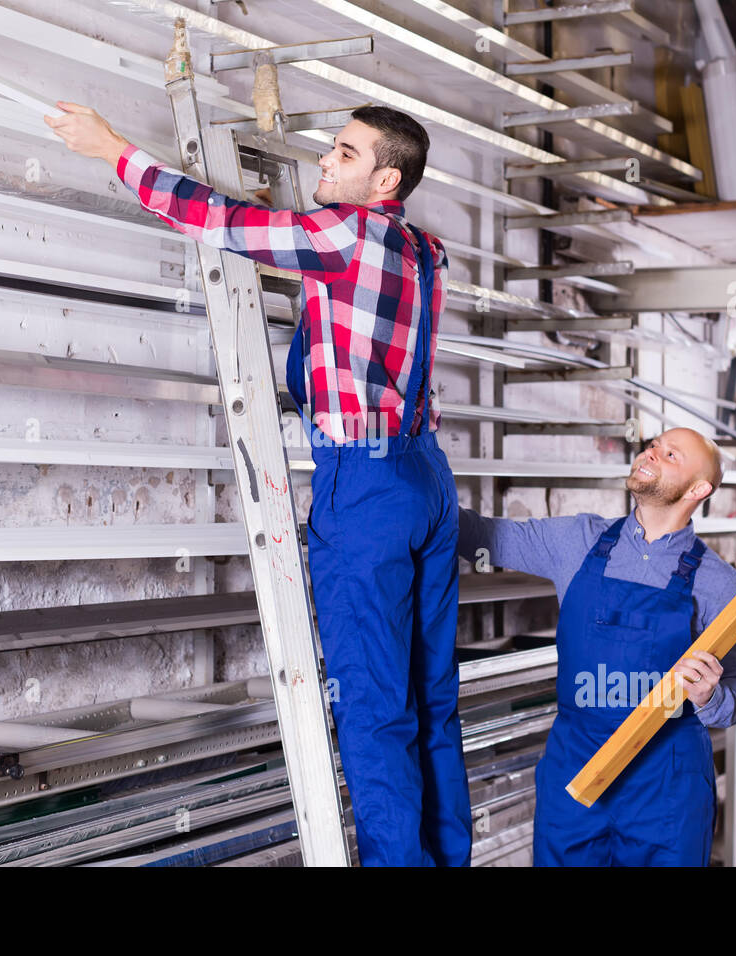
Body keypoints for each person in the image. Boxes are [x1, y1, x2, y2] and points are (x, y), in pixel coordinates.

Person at [47, 101, 471, 866]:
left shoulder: (342, 236)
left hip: (367, 485)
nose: (324, 163)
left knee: (374, 710)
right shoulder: (423, 250)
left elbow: (220, 222)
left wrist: (111, 148)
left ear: (386, 179)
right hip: (426, 477)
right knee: (431, 699)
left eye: (344, 154)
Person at [458, 427, 736, 866]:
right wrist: (413, 480)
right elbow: (484, 536)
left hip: (667, 788)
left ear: (698, 489)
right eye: (654, 445)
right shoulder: (577, 542)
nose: (651, 453)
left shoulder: (718, 584)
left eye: (670, 455)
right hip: (577, 773)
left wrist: (712, 697)